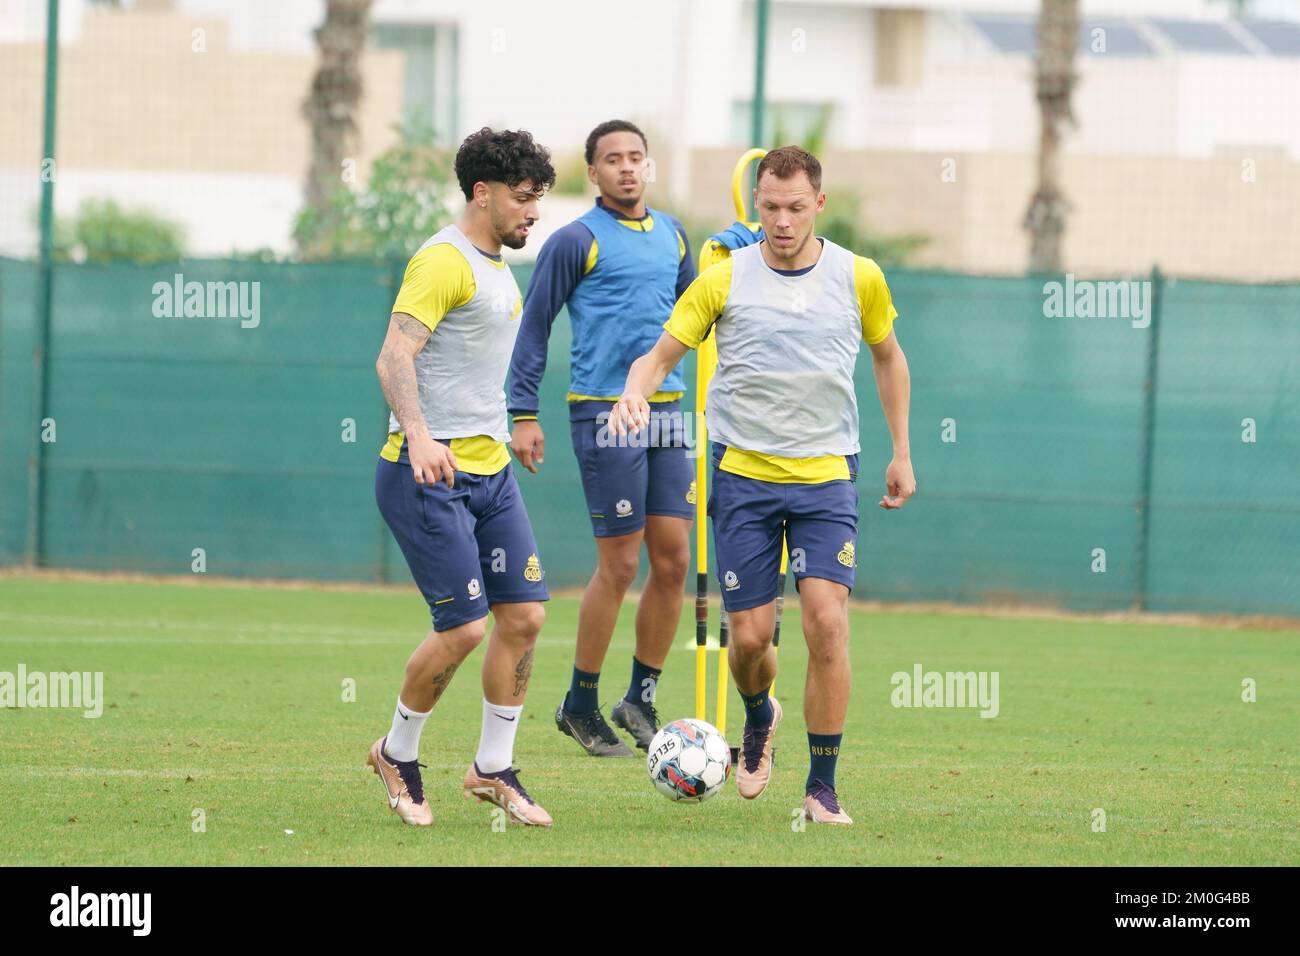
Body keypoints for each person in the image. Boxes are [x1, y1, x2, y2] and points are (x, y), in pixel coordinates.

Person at [609, 146, 916, 824]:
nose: (782, 221)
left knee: (827, 624)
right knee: (749, 642)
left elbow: (889, 358)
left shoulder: (857, 277)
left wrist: (901, 450)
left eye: (796, 208)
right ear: (757, 204)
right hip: (743, 478)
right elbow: (659, 357)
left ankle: (822, 787)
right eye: (770, 208)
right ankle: (758, 715)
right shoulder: (723, 279)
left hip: (827, 476)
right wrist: (635, 392)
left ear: (819, 206)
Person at [368, 128, 557, 826]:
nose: (534, 213)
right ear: (482, 193)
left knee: (526, 616)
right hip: (428, 472)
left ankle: (492, 767)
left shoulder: (497, 266)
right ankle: (397, 752)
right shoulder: (443, 261)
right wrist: (419, 436)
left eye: (539, 199)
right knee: (465, 630)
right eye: (523, 198)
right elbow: (394, 358)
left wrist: (511, 428)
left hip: (491, 469)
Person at [507, 120, 696, 756]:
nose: (626, 168)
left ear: (648, 165)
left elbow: (699, 312)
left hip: (671, 413)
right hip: (604, 413)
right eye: (612, 160)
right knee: (619, 564)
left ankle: (639, 697)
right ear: (593, 172)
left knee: (672, 561)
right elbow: (535, 325)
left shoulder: (673, 235)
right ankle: (579, 701)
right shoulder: (575, 240)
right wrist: (522, 413)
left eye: (636, 157)